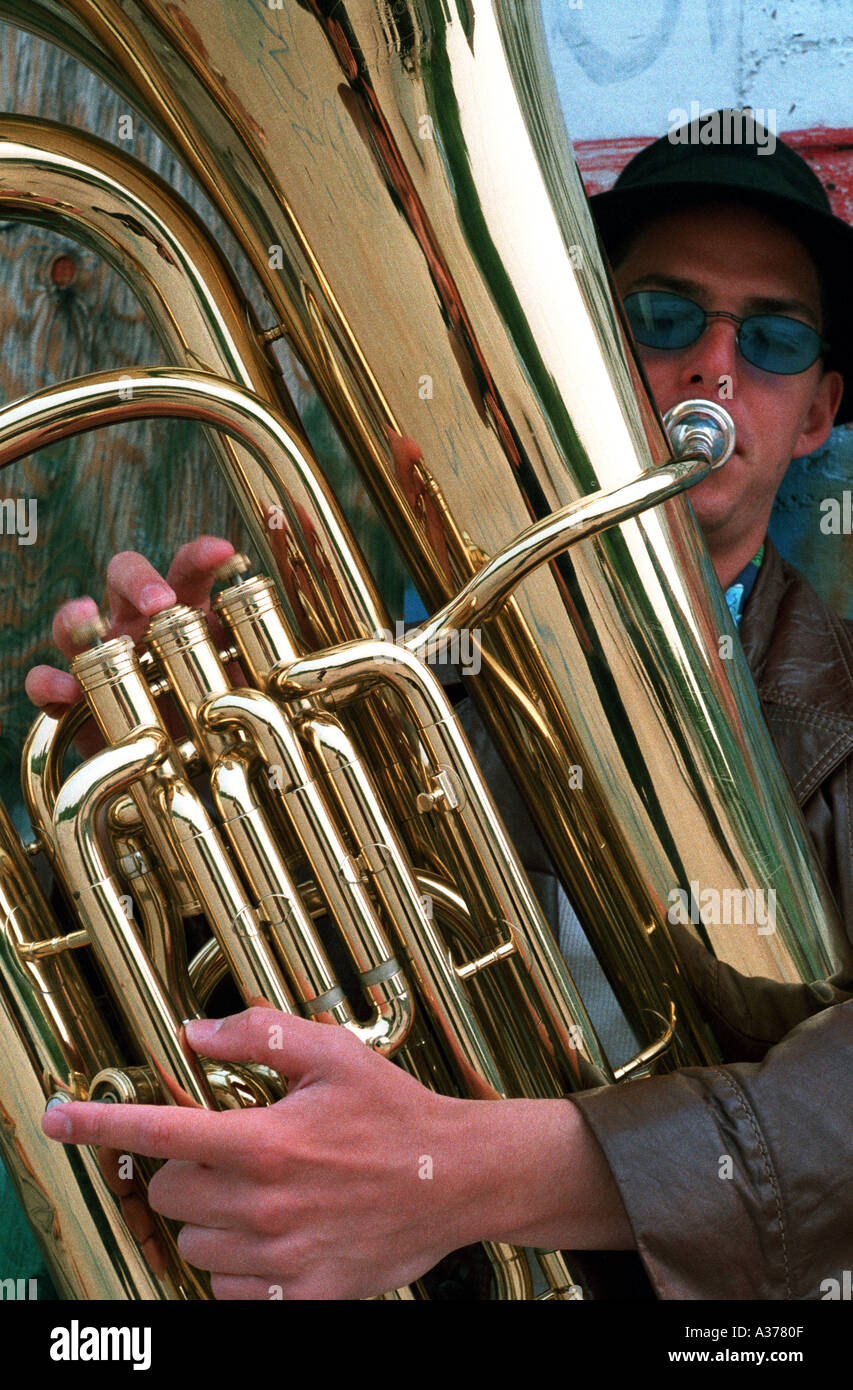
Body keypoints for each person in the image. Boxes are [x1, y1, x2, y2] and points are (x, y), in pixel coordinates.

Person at [33, 115, 853, 1299]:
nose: (712, 371)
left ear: (818, 414)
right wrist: (151, 828)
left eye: (769, 339)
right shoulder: (352, 679)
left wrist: (474, 1173)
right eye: (660, 319)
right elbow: (188, 1038)